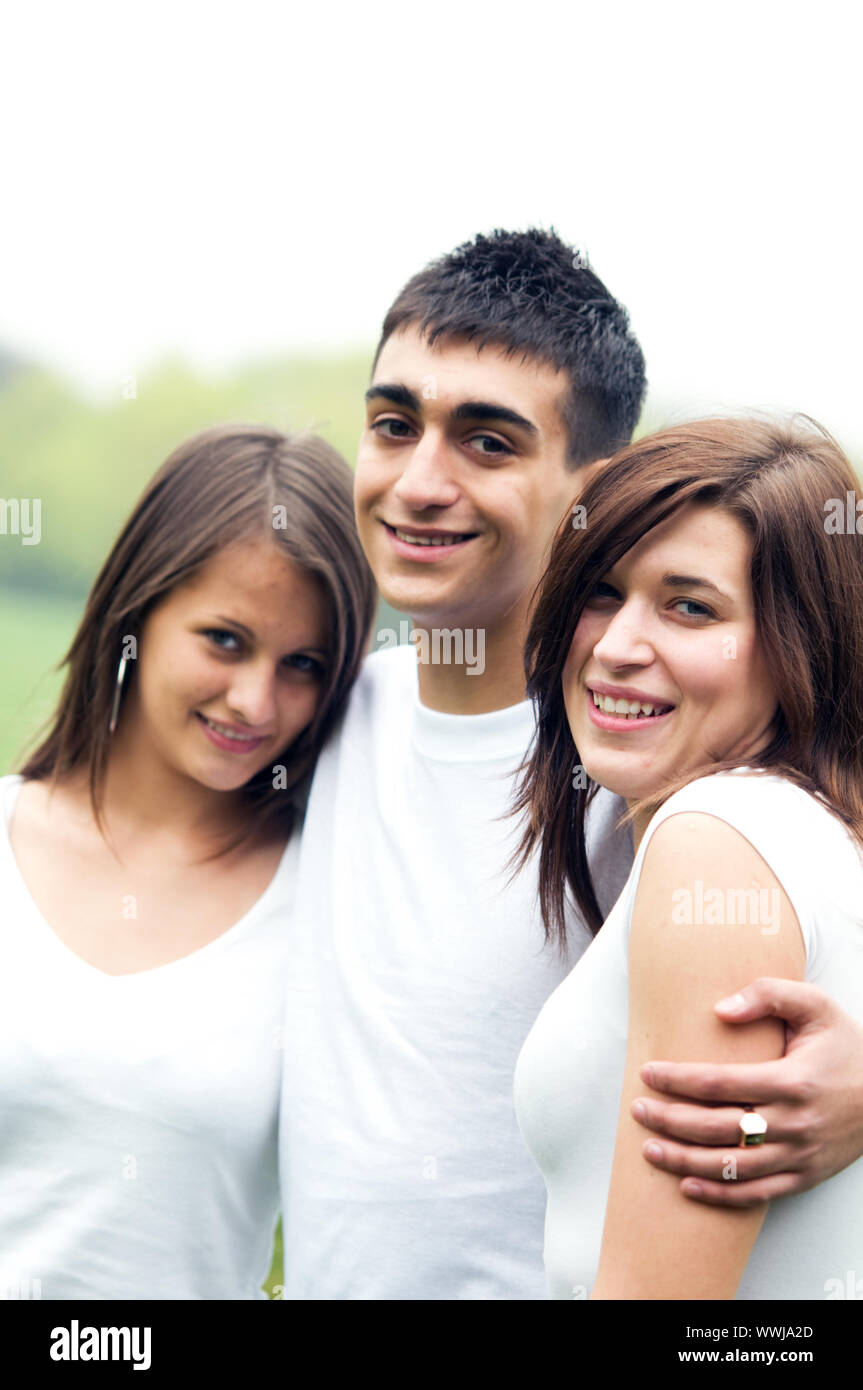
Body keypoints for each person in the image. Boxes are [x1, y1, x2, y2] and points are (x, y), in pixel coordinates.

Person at [278, 228, 863, 1301]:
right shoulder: (310, 713)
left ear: (597, 489)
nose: (418, 481)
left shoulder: (669, 766)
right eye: (392, 424)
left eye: (486, 443)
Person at [0, 424, 375, 1300]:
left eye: (303, 664)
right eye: (225, 640)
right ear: (135, 613)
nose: (255, 701)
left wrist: (755, 1112)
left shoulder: (335, 903)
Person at [513, 416, 863, 1298]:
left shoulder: (715, 839)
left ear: (802, 643)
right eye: (601, 591)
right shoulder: (810, 831)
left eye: (689, 606)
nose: (619, 647)